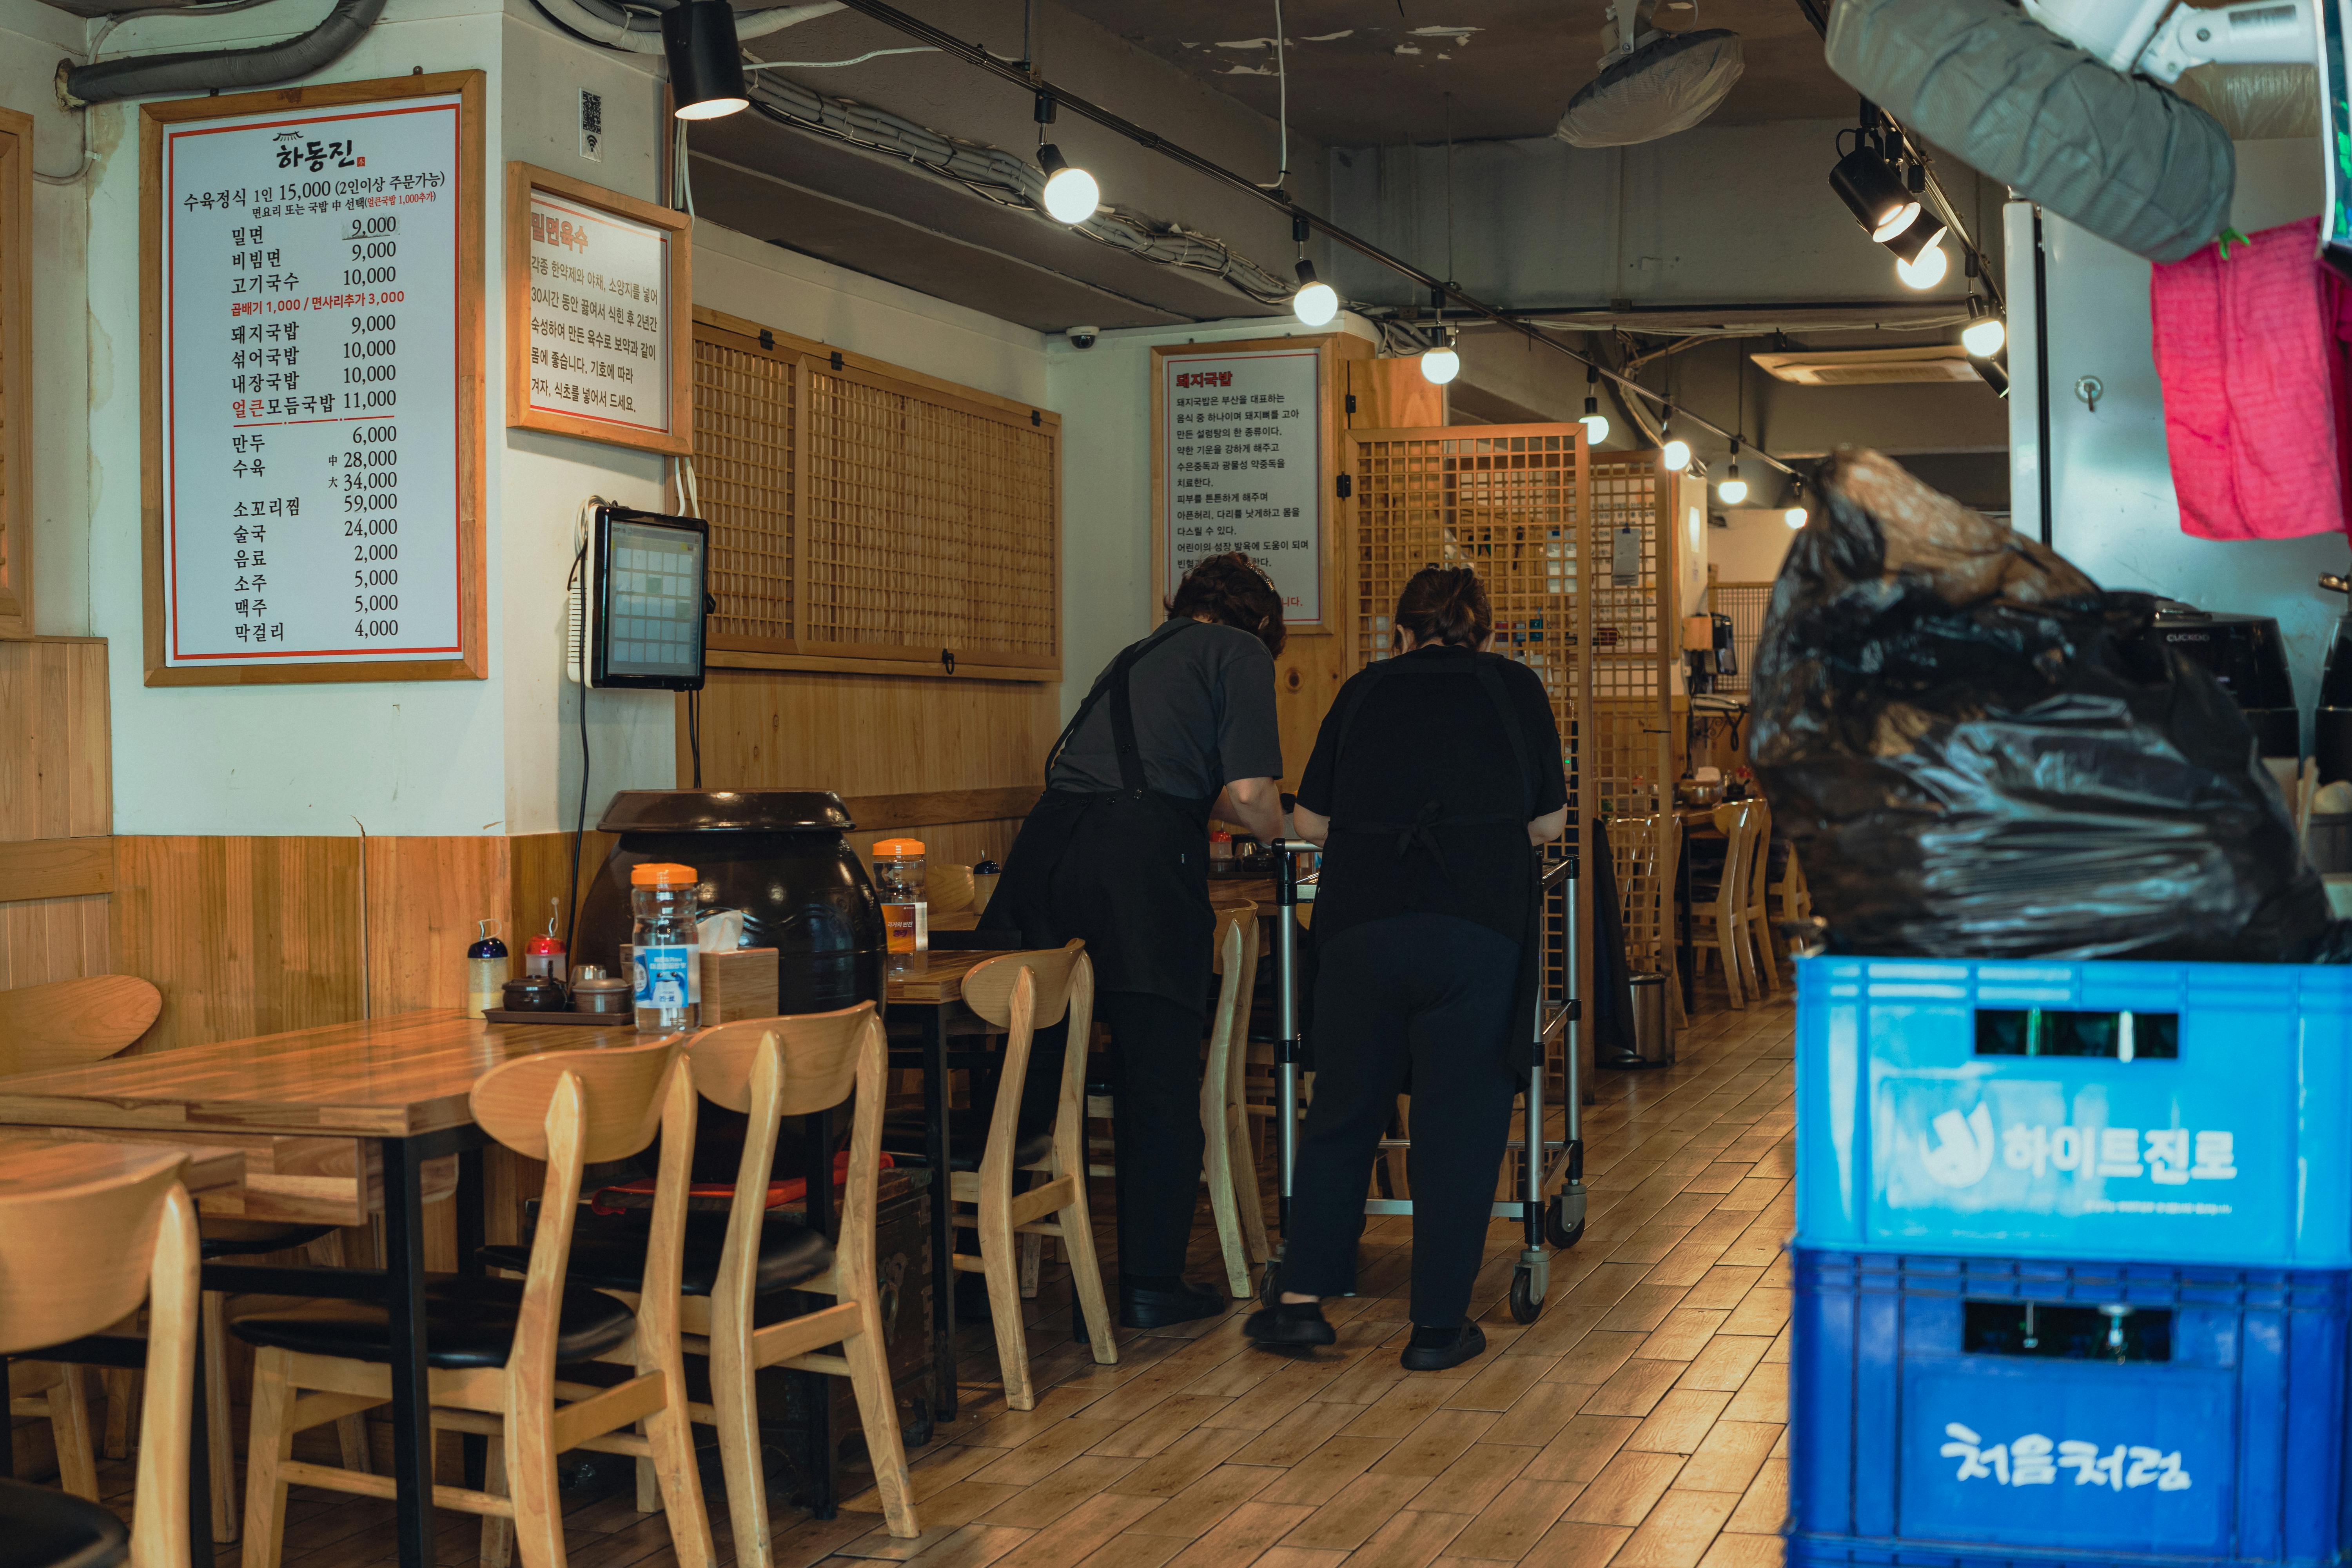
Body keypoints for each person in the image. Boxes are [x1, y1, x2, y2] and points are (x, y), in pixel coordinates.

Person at [1245, 564, 1566, 1370]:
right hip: (1473, 933)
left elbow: (1313, 819)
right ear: (1485, 632)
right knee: (1457, 1127)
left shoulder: (1363, 689)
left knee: (1344, 1112)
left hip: (1361, 933)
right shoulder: (1515, 687)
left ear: (1400, 632)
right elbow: (1550, 819)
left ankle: (1298, 1303)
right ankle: (1434, 1327)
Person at [981, 552, 1288, 1327]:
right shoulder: (1240, 650)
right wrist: (1290, 830)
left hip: (1047, 849)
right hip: (1138, 862)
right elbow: (1252, 797)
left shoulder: (1140, 653)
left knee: (1033, 1060)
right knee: (1158, 1068)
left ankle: (986, 1273)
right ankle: (1151, 1280)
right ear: (1259, 622)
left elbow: (1151, 773)